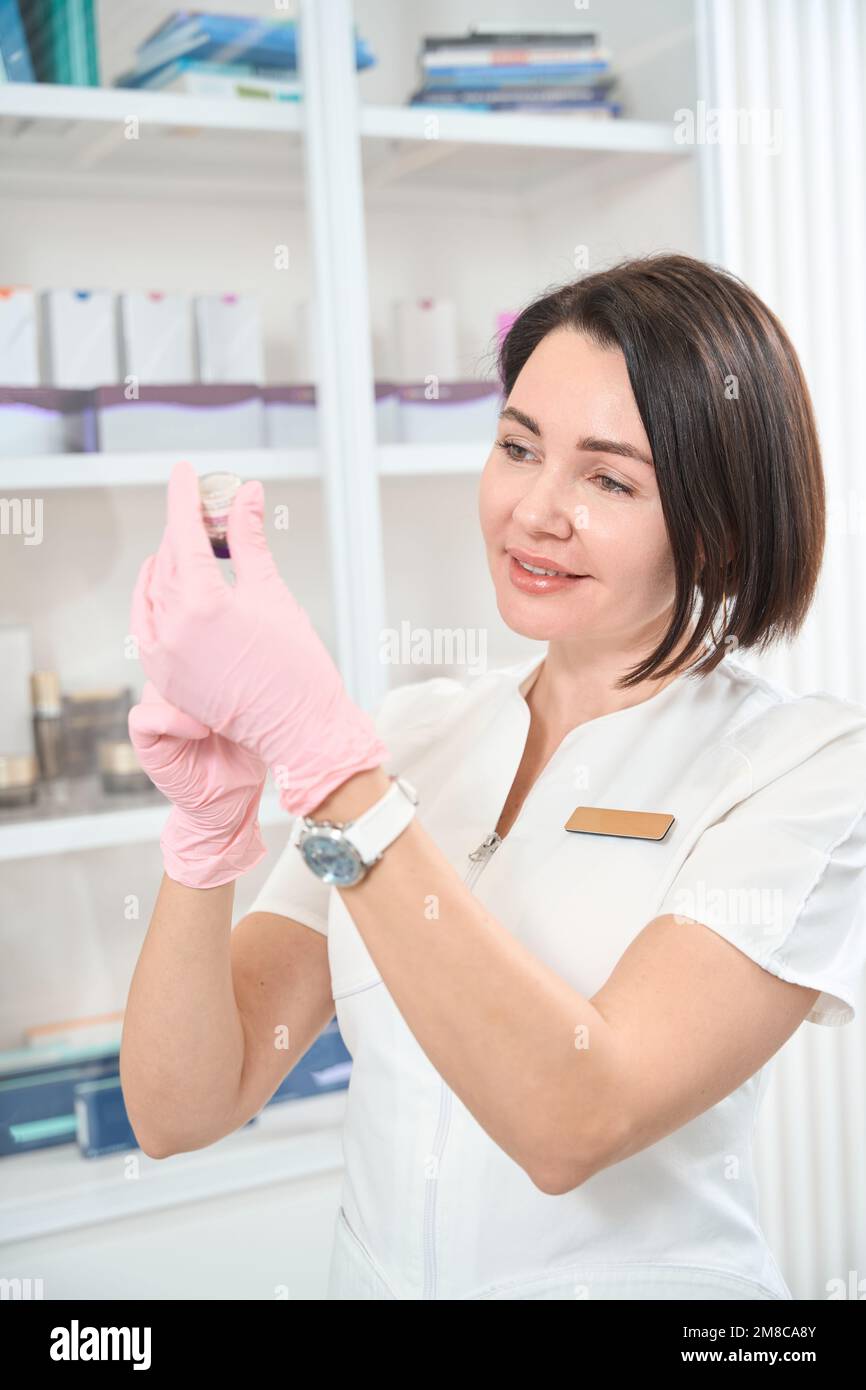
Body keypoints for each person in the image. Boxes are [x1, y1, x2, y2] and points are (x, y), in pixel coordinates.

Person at [121, 252, 866, 1301]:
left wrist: (328, 766)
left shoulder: (802, 771)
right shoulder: (411, 739)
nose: (532, 511)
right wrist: (205, 836)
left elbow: (572, 1120)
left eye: (606, 477)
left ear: (718, 525)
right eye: (517, 447)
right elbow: (181, 1106)